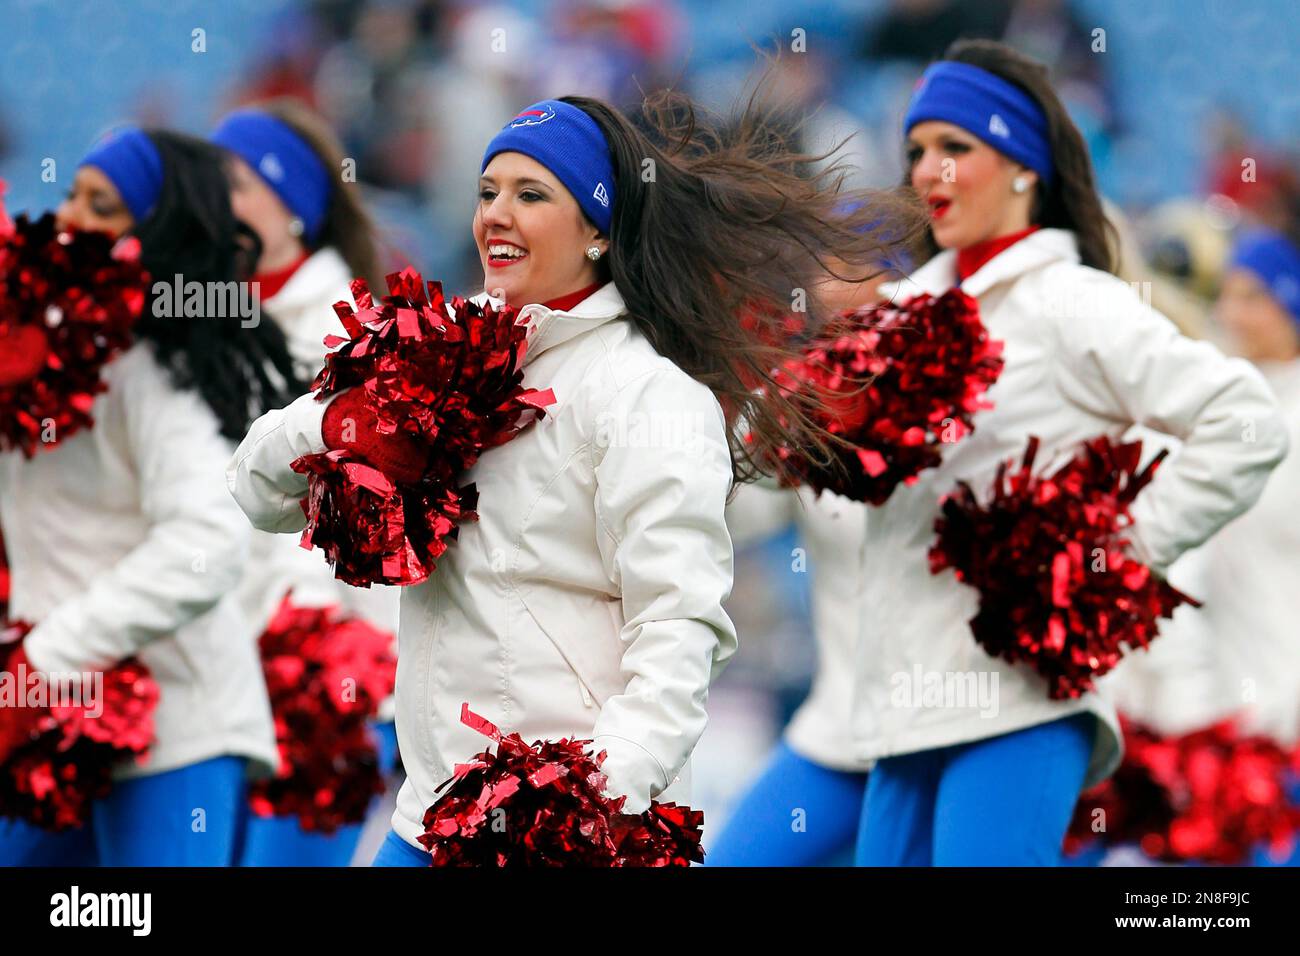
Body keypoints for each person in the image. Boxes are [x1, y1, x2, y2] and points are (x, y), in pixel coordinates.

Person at [226, 89, 921, 866]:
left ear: (597, 230)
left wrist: (595, 797)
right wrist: (338, 422)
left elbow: (679, 628)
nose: (496, 214)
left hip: (567, 834)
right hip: (429, 818)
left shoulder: (650, 394)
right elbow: (256, 491)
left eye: (531, 195)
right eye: (487, 192)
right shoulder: (434, 359)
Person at [850, 39, 1288, 867]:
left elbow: (1246, 423)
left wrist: (1118, 551)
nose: (927, 170)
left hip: (1019, 707)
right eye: (915, 151)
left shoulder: (1073, 303)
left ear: (1023, 167)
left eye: (954, 146)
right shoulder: (900, 314)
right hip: (897, 711)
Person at [0, 127, 299, 865]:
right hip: (60, 723)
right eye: (71, 195)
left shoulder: (155, 368)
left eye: (102, 206)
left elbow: (207, 542)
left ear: (156, 233)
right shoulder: (48, 353)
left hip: (176, 734)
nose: (69, 218)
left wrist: (47, 659)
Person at [210, 100, 401, 867]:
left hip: (323, 674)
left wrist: (303, 644)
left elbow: (336, 517)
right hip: (233, 673)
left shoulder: (342, 325)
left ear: (291, 208)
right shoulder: (216, 318)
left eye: (234, 185)